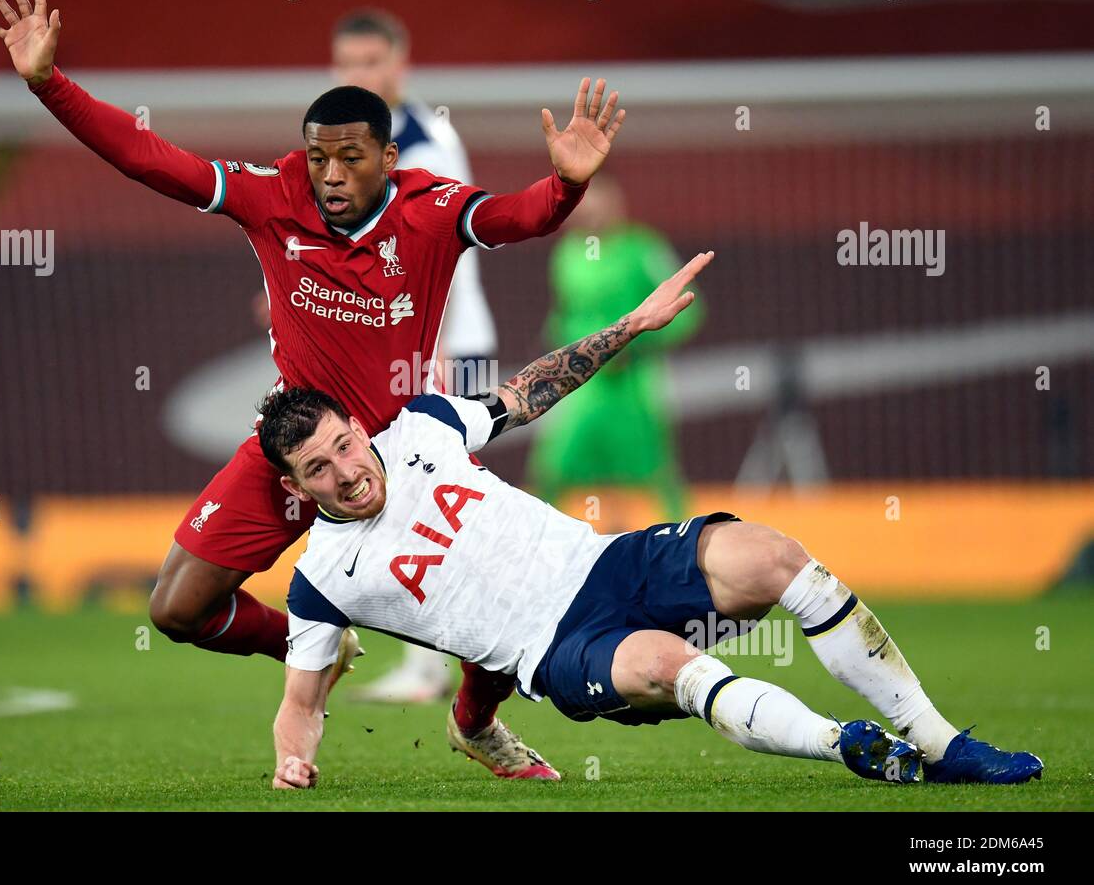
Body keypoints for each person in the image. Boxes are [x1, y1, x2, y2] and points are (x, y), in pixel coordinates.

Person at [0, 0, 625, 778]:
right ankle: (315, 642)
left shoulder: (429, 207)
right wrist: (49, 84)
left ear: (389, 159)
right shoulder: (274, 195)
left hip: (397, 454)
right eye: (318, 157)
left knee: (494, 611)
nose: (328, 175)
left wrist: (566, 184)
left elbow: (517, 218)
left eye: (349, 158)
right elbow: (153, 160)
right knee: (176, 607)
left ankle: (474, 721)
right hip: (293, 447)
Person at [258, 251, 1043, 790]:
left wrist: (630, 325)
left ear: (360, 430)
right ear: (297, 486)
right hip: (558, 648)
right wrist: (293, 763)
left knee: (773, 555)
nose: (346, 472)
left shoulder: (421, 427)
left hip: (611, 560)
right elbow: (300, 704)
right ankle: (851, 747)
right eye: (317, 470)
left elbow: (529, 389)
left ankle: (943, 745)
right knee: (673, 666)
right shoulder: (324, 578)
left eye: (342, 446)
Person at [331, 8, 496, 703]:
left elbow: (445, 255)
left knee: (435, 504)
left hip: (446, 346)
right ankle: (446, 663)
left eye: (372, 61)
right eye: (347, 63)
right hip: (408, 345)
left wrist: (430, 351)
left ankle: (446, 665)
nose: (359, 75)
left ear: (401, 62)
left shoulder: (428, 142)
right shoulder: (352, 142)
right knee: (409, 500)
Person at [531, 173, 701, 527]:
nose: (588, 217)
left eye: (597, 208)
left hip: (633, 386)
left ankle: (686, 545)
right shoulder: (566, 254)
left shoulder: (643, 249)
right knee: (553, 465)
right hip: (582, 386)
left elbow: (690, 313)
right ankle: (537, 541)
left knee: (654, 471)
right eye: (582, 209)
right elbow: (563, 316)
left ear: (617, 208)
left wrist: (636, 347)